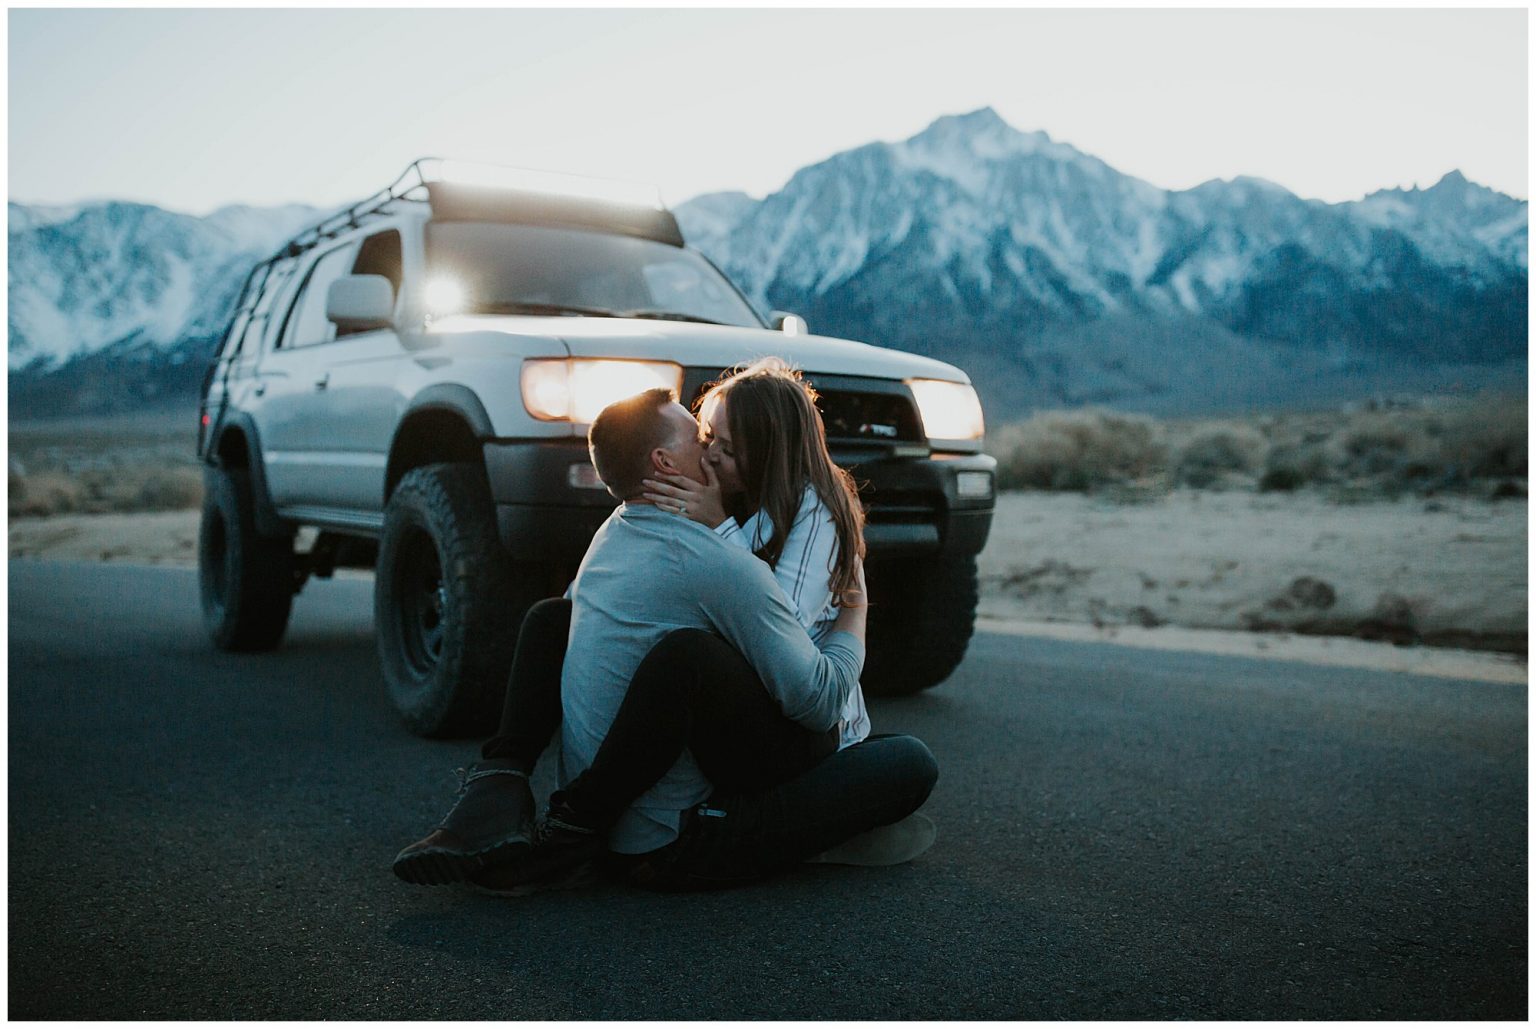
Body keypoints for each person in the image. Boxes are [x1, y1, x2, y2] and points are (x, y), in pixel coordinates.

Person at [394, 380, 936, 892]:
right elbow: (815, 700)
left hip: (625, 804)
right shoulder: (723, 561)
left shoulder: (612, 533)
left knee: (553, 618)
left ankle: (501, 786)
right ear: (663, 462)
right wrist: (855, 612)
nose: (711, 451)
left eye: (721, 442)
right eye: (703, 439)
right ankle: (581, 835)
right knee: (906, 761)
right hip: (674, 846)